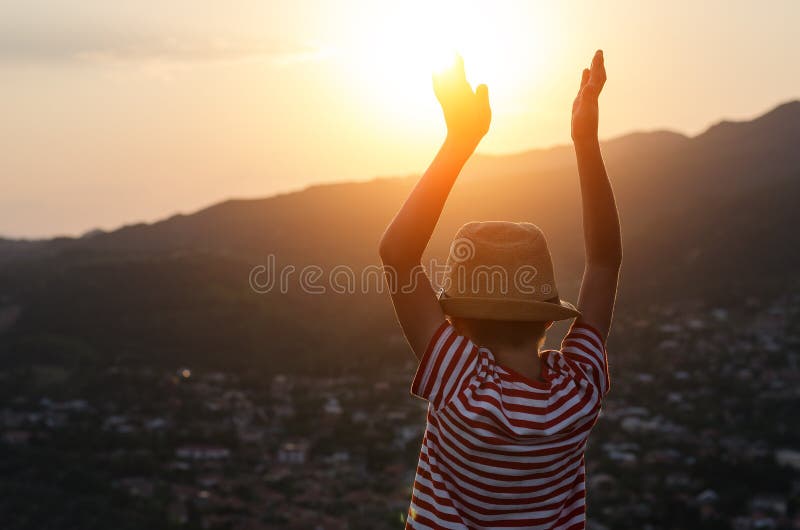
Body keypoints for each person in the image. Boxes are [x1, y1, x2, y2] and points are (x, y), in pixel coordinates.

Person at [379, 50, 621, 529]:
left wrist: (459, 141)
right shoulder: (578, 393)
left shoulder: (461, 387)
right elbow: (605, 262)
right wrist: (586, 142)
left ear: (454, 321)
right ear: (550, 316)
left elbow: (398, 254)